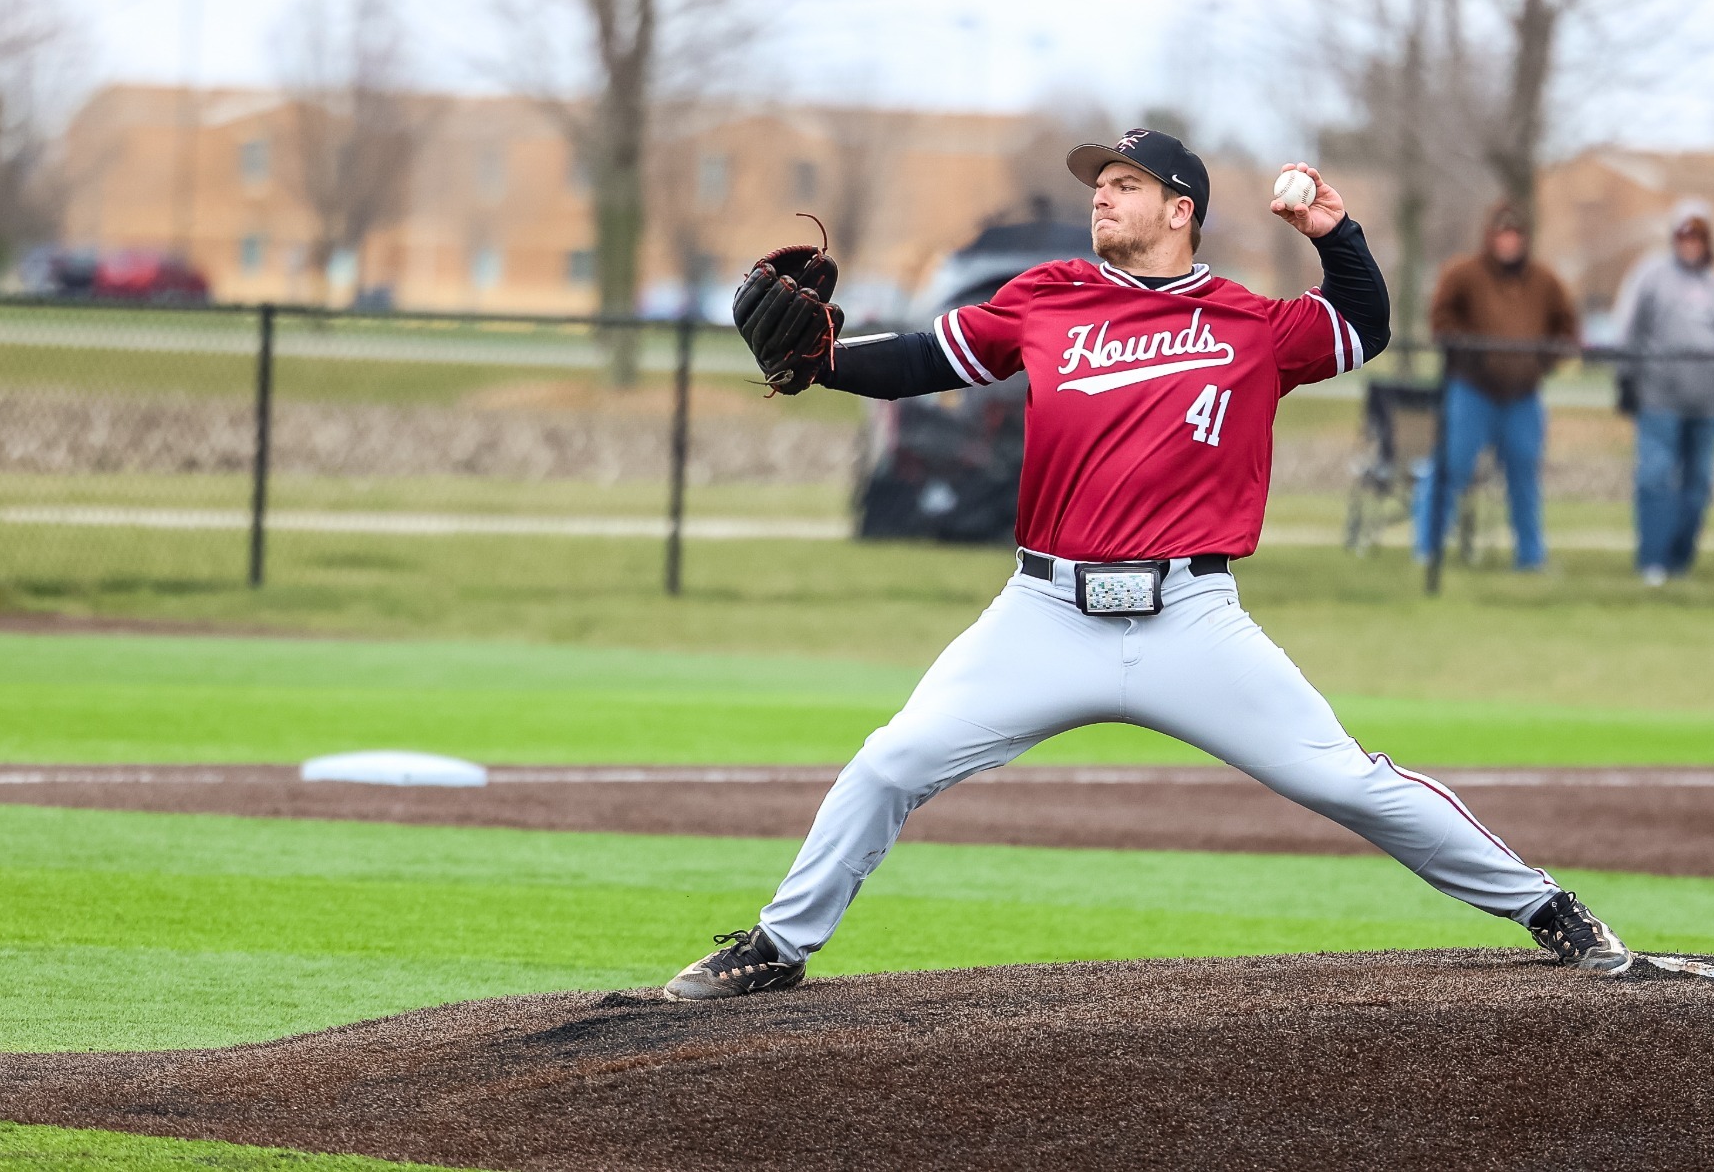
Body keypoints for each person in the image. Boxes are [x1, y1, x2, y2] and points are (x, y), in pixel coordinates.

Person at [664, 128, 1632, 1002]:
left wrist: (1333, 232)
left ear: (1180, 212)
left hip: (1190, 618)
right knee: (889, 762)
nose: (1101, 195)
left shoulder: (1251, 323)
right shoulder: (1046, 297)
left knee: (1344, 780)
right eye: (1099, 181)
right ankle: (778, 945)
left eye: (1126, 183)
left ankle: (1546, 908)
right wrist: (823, 363)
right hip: (1041, 612)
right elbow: (928, 359)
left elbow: (1361, 324)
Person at [1413, 203, 1579, 571]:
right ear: (1491, 237)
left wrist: (1541, 362)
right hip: (1472, 391)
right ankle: (1429, 549)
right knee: (1451, 467)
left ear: (1524, 239)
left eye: (1515, 234)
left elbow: (1566, 328)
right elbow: (1441, 319)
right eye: (1502, 234)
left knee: (1525, 473)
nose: (1509, 241)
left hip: (1523, 395)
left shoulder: (1544, 281)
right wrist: (1471, 356)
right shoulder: (1463, 274)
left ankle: (1531, 556)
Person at [1613, 200, 1714, 587]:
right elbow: (1629, 329)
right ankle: (1652, 560)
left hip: (1706, 405)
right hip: (1660, 397)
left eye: (1697, 234)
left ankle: (1679, 560)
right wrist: (1626, 378)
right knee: (1655, 477)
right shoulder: (1651, 277)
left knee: (1698, 484)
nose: (1690, 242)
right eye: (1684, 233)